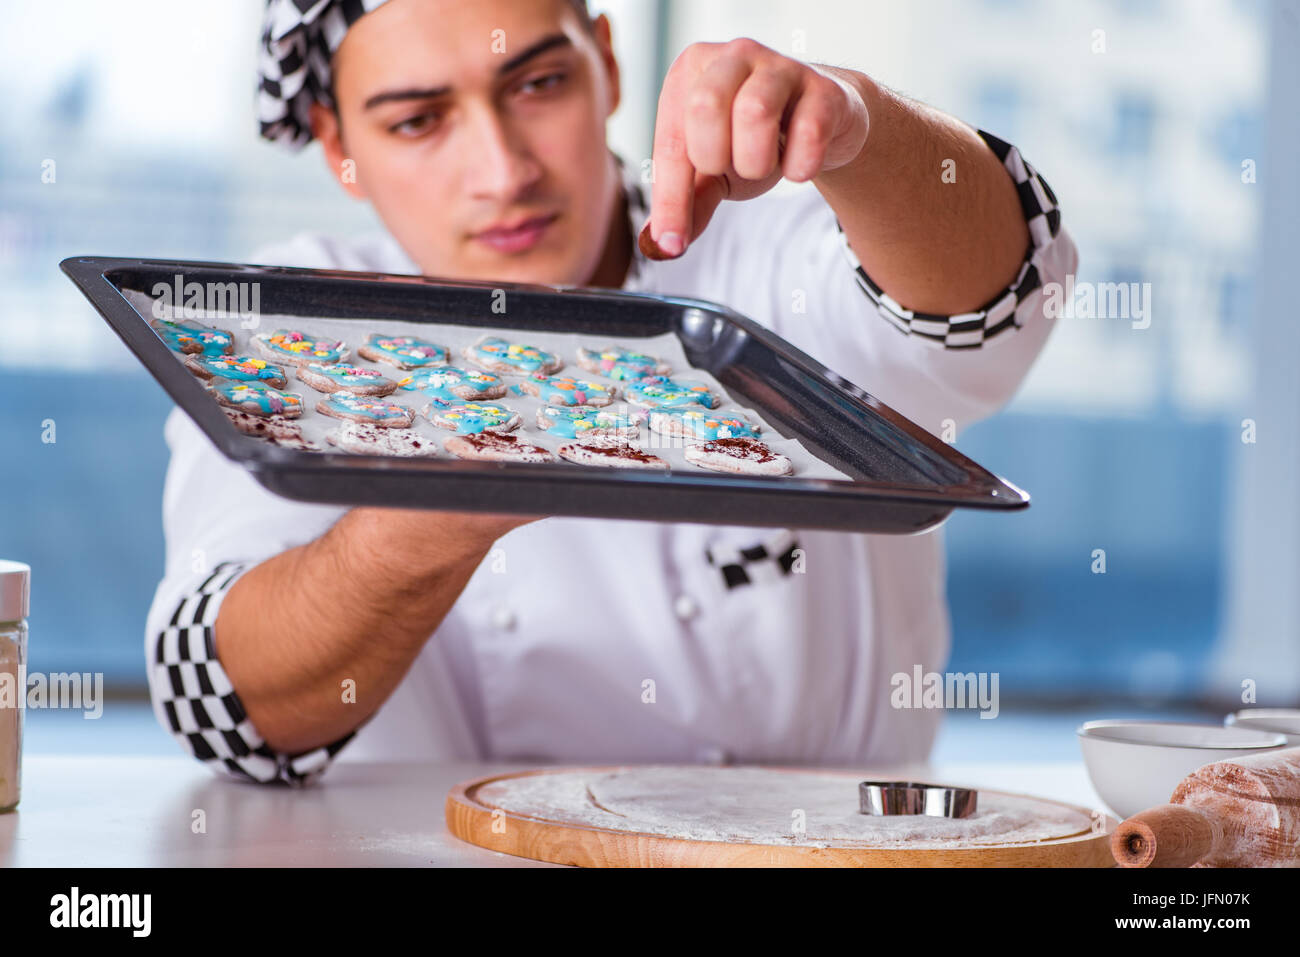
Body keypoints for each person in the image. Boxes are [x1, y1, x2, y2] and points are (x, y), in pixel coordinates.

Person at [146, 0, 1077, 784]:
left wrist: (857, 127)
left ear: (610, 65)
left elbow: (995, 306)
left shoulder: (767, 257)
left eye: (539, 84)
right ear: (338, 147)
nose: (504, 171)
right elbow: (225, 702)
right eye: (418, 121)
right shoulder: (295, 332)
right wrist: (447, 499)